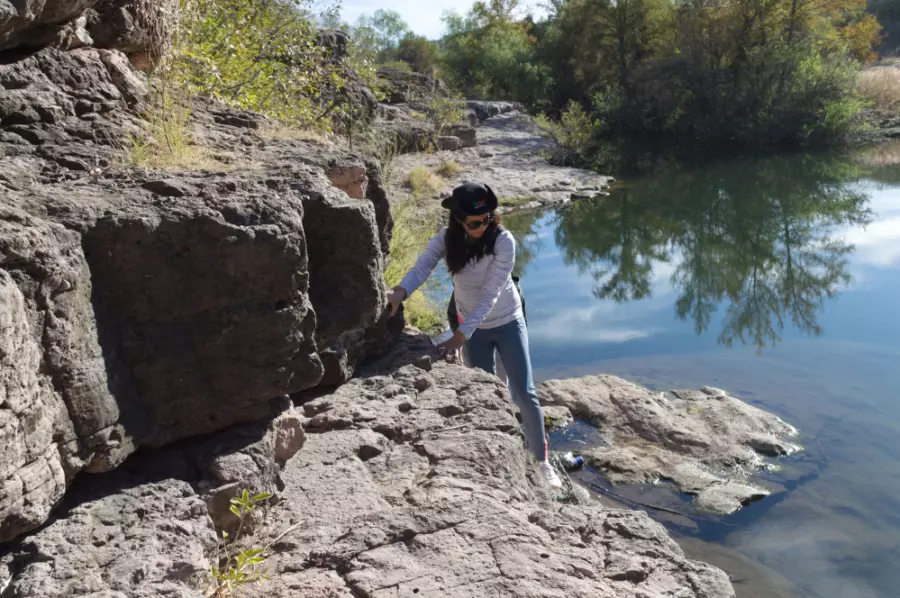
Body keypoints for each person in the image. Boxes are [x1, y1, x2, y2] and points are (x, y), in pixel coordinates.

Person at [387, 182, 562, 489]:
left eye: (485, 219)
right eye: (473, 222)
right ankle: (502, 454)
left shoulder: (503, 240)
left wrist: (459, 335)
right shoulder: (445, 238)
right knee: (489, 395)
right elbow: (422, 267)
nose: (481, 226)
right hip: (471, 326)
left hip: (507, 321)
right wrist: (400, 292)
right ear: (457, 219)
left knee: (523, 393)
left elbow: (492, 294)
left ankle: (542, 462)